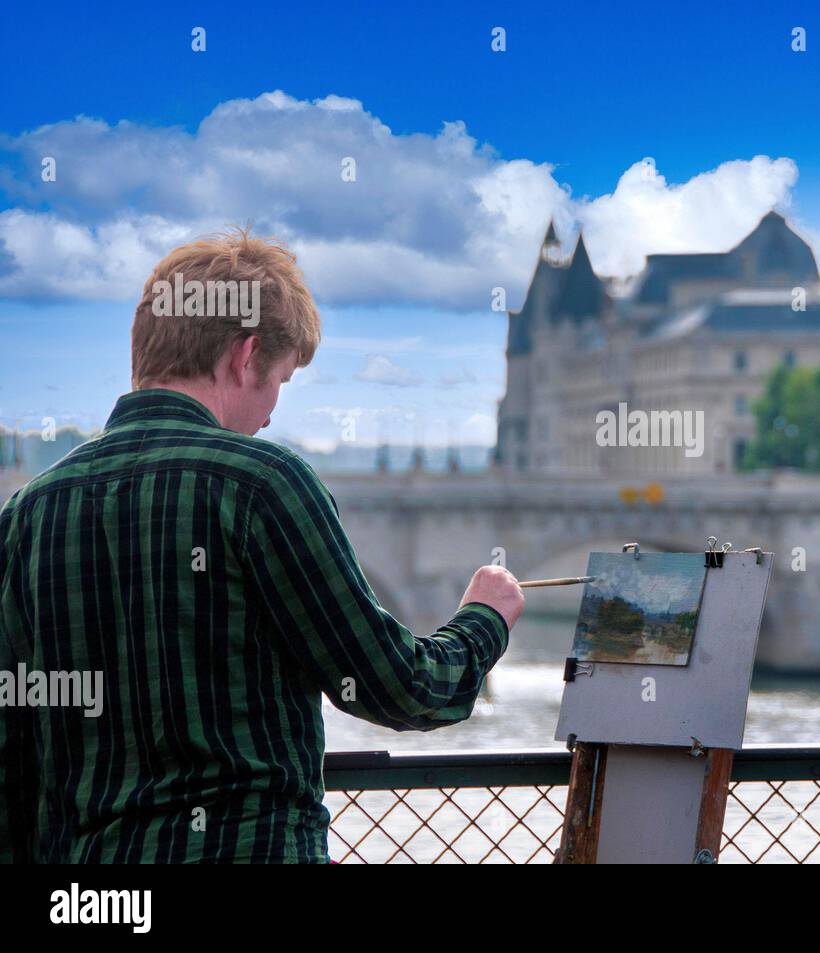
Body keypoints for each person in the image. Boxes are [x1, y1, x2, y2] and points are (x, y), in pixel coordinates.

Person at [0, 230, 524, 862]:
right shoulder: (262, 483)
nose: (272, 412)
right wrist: (484, 619)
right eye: (278, 380)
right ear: (245, 357)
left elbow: (14, 756)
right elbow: (398, 687)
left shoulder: (31, 511)